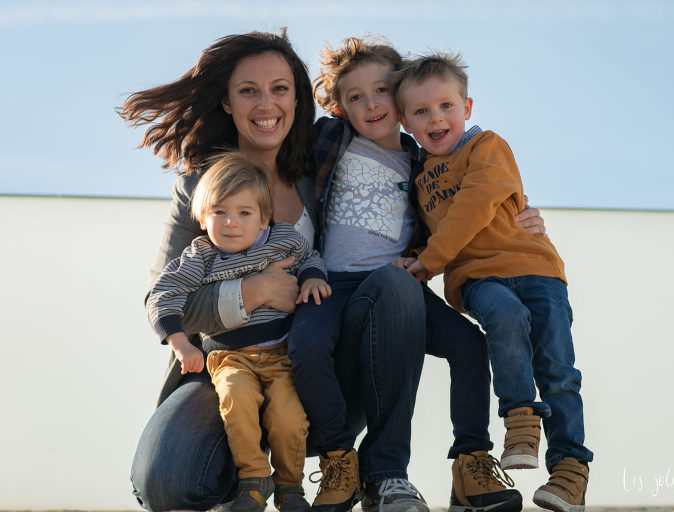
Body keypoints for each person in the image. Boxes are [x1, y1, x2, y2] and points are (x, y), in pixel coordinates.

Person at [120, 30, 547, 512]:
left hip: (335, 358)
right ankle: (244, 473)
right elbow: (164, 297)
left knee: (400, 290)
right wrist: (254, 291)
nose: (266, 104)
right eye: (248, 91)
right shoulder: (202, 186)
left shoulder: (321, 159)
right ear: (227, 102)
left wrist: (514, 217)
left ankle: (399, 472)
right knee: (169, 480)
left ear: (298, 99)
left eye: (280, 89)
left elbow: (455, 186)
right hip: (232, 361)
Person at [293, 36, 520, 512]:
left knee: (470, 344)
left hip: (397, 282)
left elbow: (474, 201)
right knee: (306, 347)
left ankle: (471, 462)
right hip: (333, 281)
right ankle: (339, 460)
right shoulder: (332, 139)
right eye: (356, 97)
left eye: (381, 91)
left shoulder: (426, 163)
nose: (371, 104)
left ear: (401, 99)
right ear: (340, 108)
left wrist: (522, 213)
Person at [394, 53, 594, 512]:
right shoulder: (419, 179)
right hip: (478, 277)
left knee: (558, 369)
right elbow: (430, 232)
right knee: (504, 315)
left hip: (537, 270)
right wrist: (416, 257)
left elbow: (475, 204)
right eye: (421, 111)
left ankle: (570, 470)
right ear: (405, 122)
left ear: (467, 107)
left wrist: (429, 262)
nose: (436, 118)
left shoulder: (487, 146)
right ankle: (520, 417)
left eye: (446, 106)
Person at [146, 151, 331, 512]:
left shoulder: (282, 239)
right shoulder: (200, 256)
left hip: (281, 356)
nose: (231, 223)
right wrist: (181, 344)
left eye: (244, 213)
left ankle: (290, 487)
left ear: (263, 218)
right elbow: (163, 295)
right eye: (220, 212)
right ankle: (254, 479)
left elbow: (310, 258)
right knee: (237, 403)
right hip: (230, 358)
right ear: (203, 217)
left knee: (289, 418)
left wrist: (312, 279)